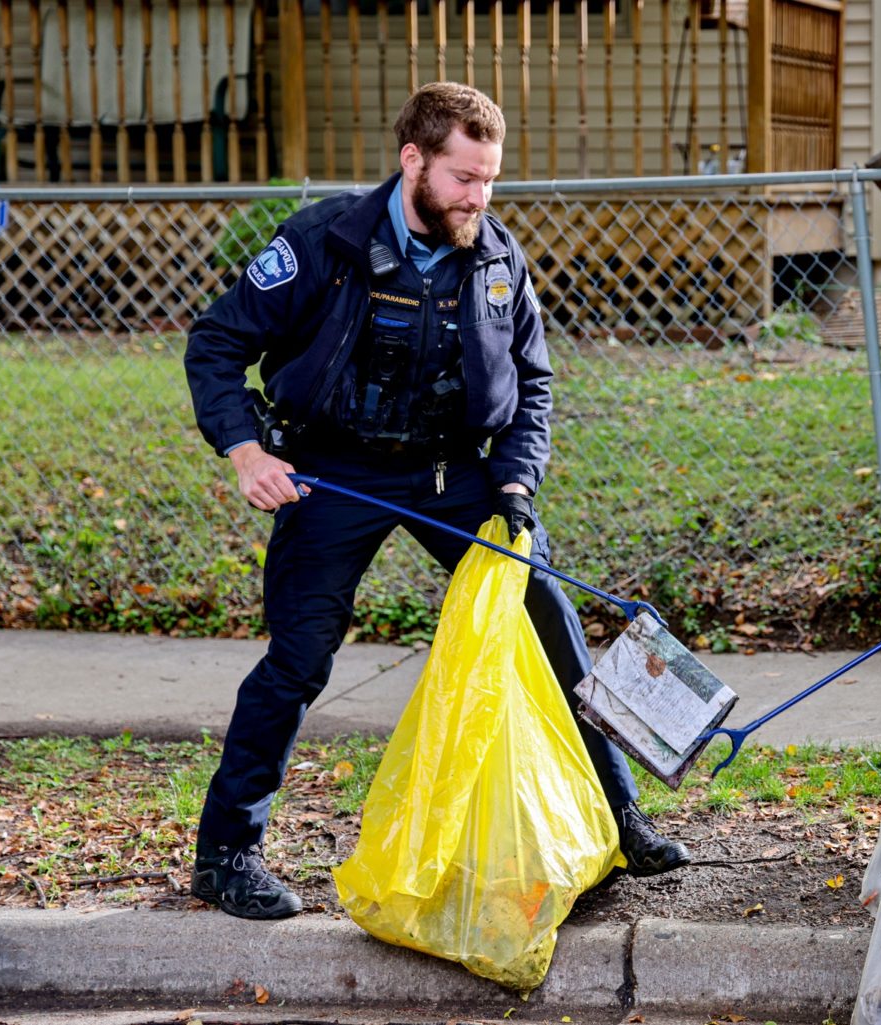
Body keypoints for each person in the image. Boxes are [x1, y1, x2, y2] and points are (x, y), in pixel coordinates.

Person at [183, 82, 691, 921]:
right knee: (299, 660)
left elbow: (534, 384)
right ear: (411, 157)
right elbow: (216, 343)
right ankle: (226, 852)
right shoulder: (322, 242)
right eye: (463, 177)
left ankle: (619, 814)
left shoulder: (495, 254)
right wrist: (246, 450)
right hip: (332, 474)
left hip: (455, 476)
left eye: (490, 180)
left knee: (547, 614)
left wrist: (517, 483)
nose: (478, 198)